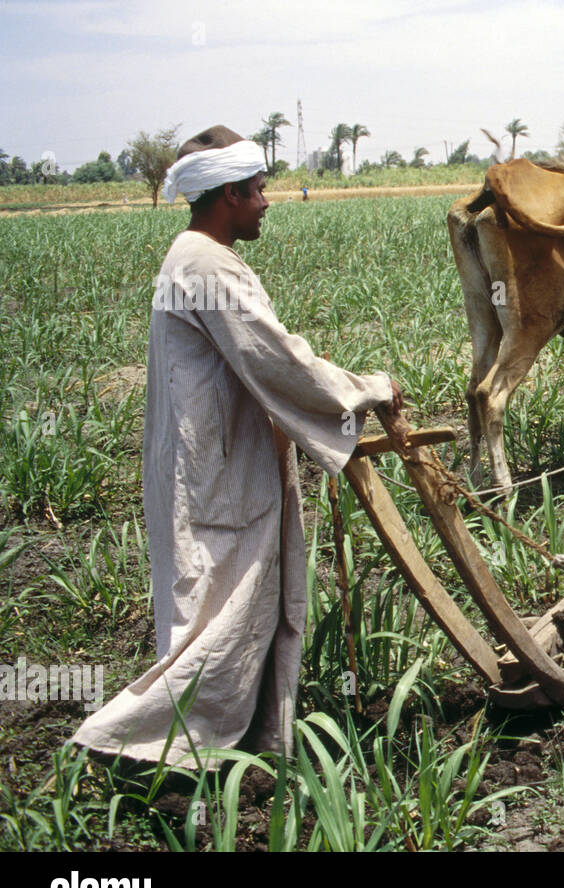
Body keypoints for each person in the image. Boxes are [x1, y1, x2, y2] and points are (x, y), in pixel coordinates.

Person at [72, 126, 401, 769]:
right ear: (226, 194)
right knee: (224, 610)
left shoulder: (188, 255)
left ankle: (238, 739)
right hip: (222, 472)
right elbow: (278, 360)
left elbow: (259, 354)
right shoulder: (208, 264)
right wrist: (367, 390)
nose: (266, 201)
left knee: (222, 603)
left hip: (207, 462)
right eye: (257, 190)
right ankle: (137, 740)